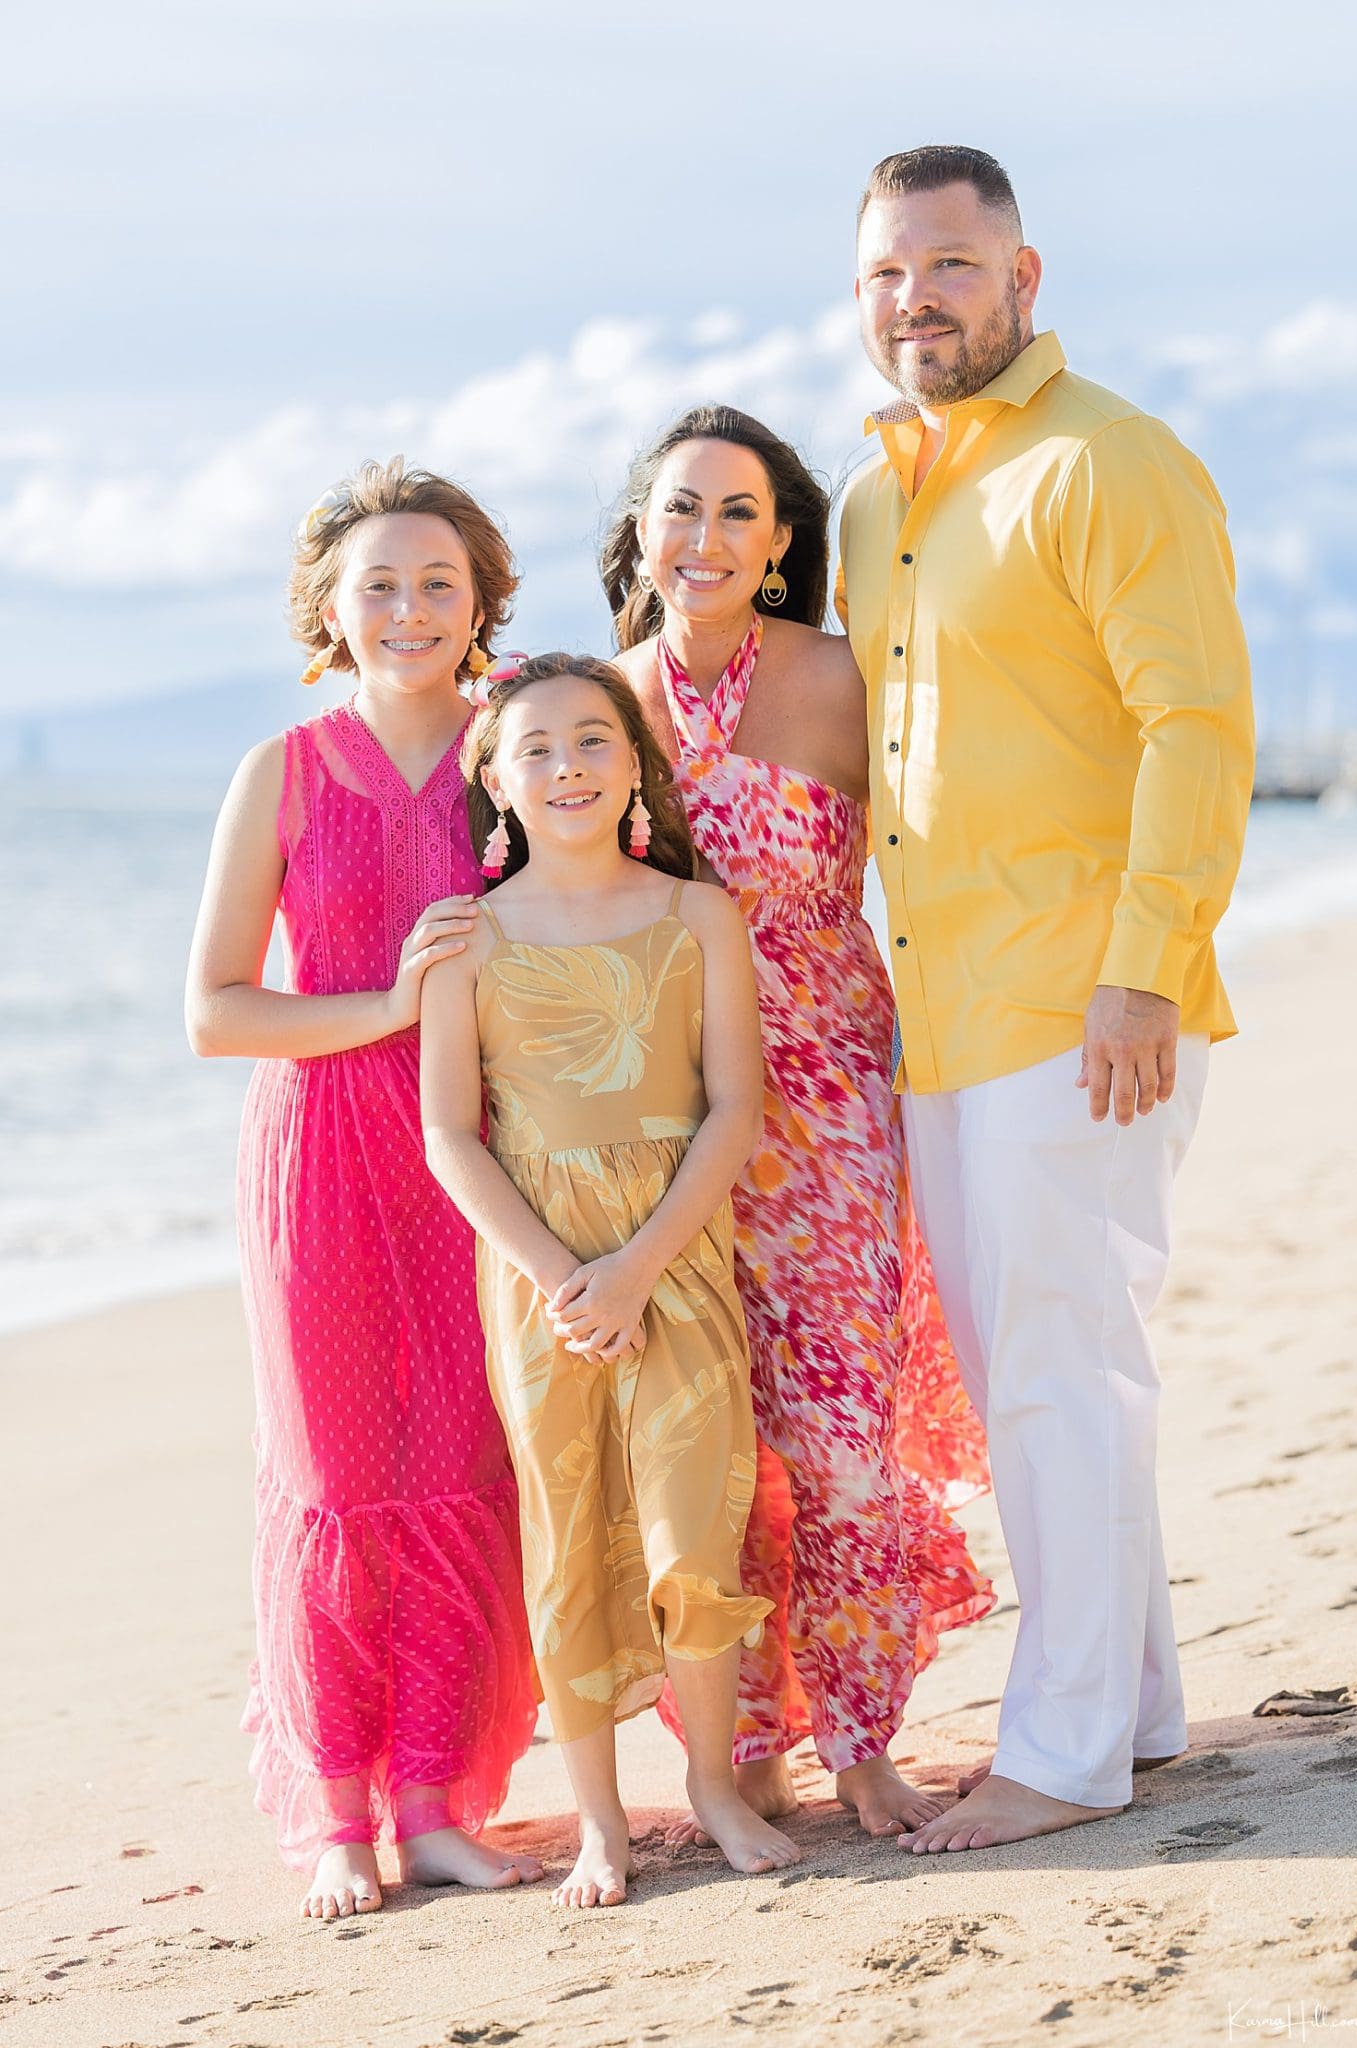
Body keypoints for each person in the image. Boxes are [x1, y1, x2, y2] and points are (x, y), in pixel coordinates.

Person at [838, 145, 1256, 1852]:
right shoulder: (879, 503)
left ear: (1022, 275)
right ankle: (1131, 1709)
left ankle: (1064, 1749)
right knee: (1053, 1371)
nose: (914, 298)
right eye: (884, 273)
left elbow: (1198, 731)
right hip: (943, 1014)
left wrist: (1144, 970)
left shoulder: (1116, 461)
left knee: (1057, 1380)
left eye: (946, 265)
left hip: (1086, 1007)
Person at [602, 409, 992, 1841]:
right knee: (714, 1450)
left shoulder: (841, 678)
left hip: (829, 1103)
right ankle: (744, 1741)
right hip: (665, 1117)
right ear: (640, 533)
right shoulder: (601, 703)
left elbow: (950, 850)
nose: (700, 538)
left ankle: (864, 1736)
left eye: (734, 514)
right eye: (676, 509)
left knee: (836, 1442)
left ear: (779, 544)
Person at [185, 459, 541, 1919]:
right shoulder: (282, 769)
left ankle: (434, 1795)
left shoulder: (517, 753)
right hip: (323, 1152)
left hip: (487, 1152)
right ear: (329, 608)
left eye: (437, 584)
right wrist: (386, 1011)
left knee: (464, 1459)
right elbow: (215, 1009)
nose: (409, 609)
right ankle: (336, 1813)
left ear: (480, 607)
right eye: (378, 584)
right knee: (334, 1478)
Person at [420, 652, 803, 1909]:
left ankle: (708, 1783)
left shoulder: (699, 915)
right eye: (535, 747)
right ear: (496, 779)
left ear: (635, 762)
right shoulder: (469, 936)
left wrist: (638, 1264)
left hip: (674, 1251)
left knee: (695, 1523)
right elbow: (451, 1133)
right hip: (541, 1274)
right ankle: (599, 1823)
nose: (567, 766)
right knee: (568, 1540)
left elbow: (736, 1109)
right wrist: (562, 1273)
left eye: (593, 739)